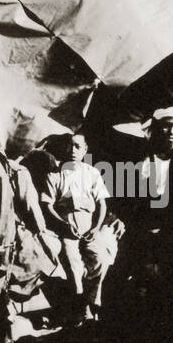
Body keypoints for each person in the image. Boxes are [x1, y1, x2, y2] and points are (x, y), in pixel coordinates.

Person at [111, 107, 173, 343]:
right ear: (155, 129)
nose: (171, 132)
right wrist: (132, 224)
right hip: (141, 231)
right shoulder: (140, 159)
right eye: (166, 126)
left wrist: (165, 233)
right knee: (117, 277)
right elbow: (124, 199)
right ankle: (117, 339)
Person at [40, 132, 119, 325]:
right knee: (72, 262)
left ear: (85, 150)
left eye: (77, 146)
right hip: (65, 226)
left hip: (89, 225)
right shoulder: (54, 174)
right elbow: (47, 204)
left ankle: (91, 303)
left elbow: (101, 204)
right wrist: (63, 224)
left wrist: (96, 227)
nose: (73, 150)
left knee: (100, 258)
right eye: (69, 146)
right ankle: (79, 307)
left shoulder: (92, 173)